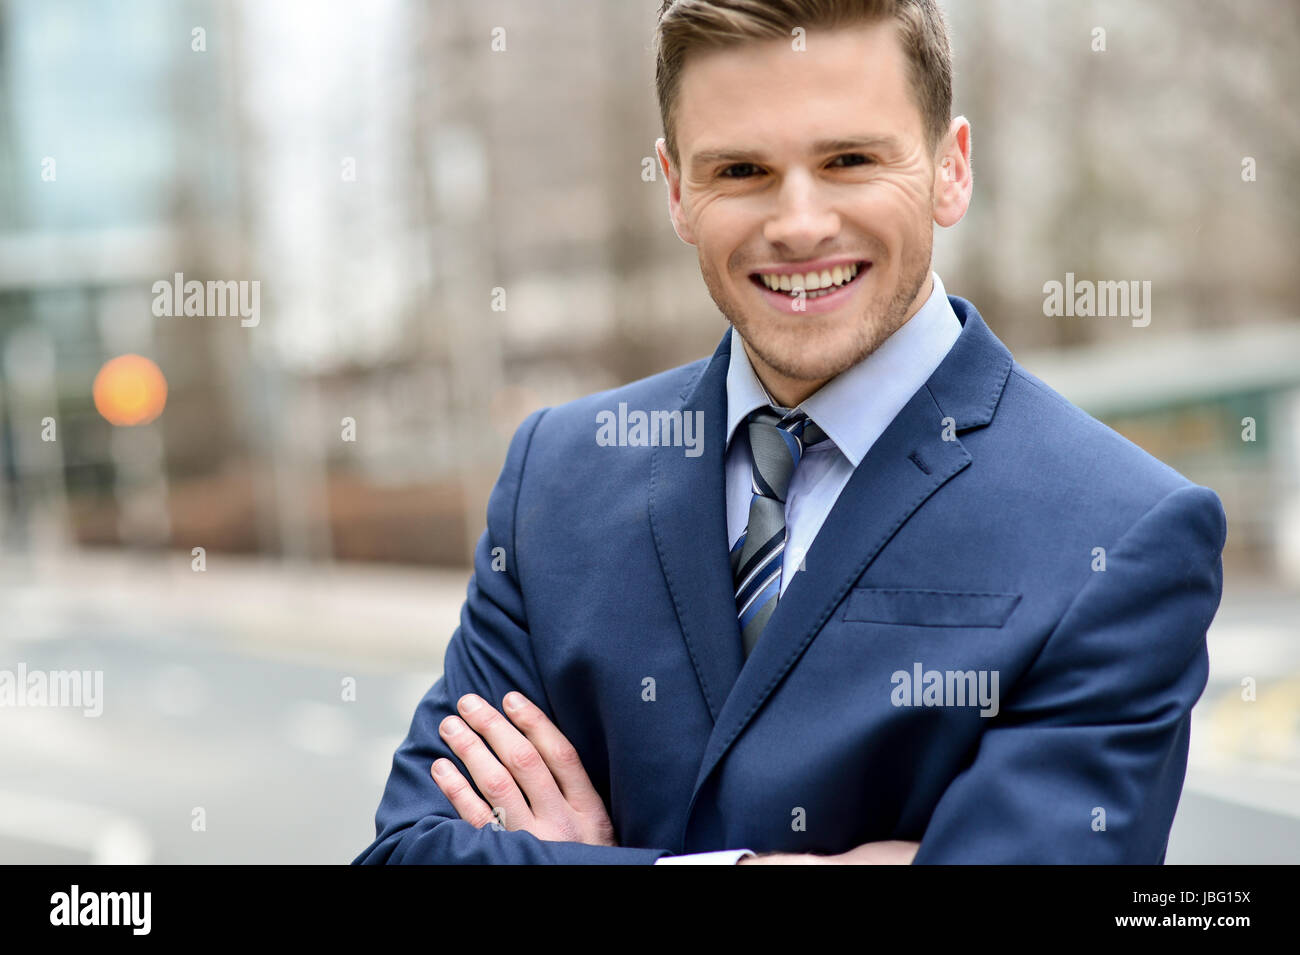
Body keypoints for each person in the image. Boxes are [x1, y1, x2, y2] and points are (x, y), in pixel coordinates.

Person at [354, 0, 1226, 865]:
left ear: (950, 168)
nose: (800, 224)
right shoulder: (554, 479)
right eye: (740, 170)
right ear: (676, 192)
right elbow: (408, 856)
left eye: (849, 159)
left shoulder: (1123, 532)